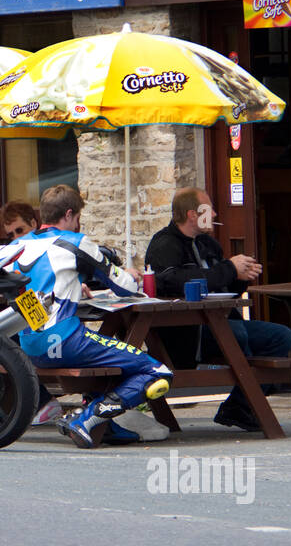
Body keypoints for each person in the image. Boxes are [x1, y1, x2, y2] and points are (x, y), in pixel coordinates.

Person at [11, 184, 173, 449]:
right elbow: (125, 287)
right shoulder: (75, 242)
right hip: (66, 341)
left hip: (28, 345)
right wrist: (129, 275)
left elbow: (33, 288)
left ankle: (106, 427)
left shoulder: (18, 245)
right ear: (70, 214)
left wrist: (74, 287)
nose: (77, 225)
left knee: (105, 353)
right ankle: (87, 419)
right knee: (158, 372)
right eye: (77, 220)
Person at [144, 187, 291, 431]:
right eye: (209, 209)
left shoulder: (208, 245)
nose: (214, 213)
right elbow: (175, 282)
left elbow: (221, 287)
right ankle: (249, 399)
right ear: (193, 214)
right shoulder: (165, 244)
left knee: (282, 336)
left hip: (221, 321)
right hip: (188, 331)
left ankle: (238, 407)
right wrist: (229, 268)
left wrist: (242, 277)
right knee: (238, 335)